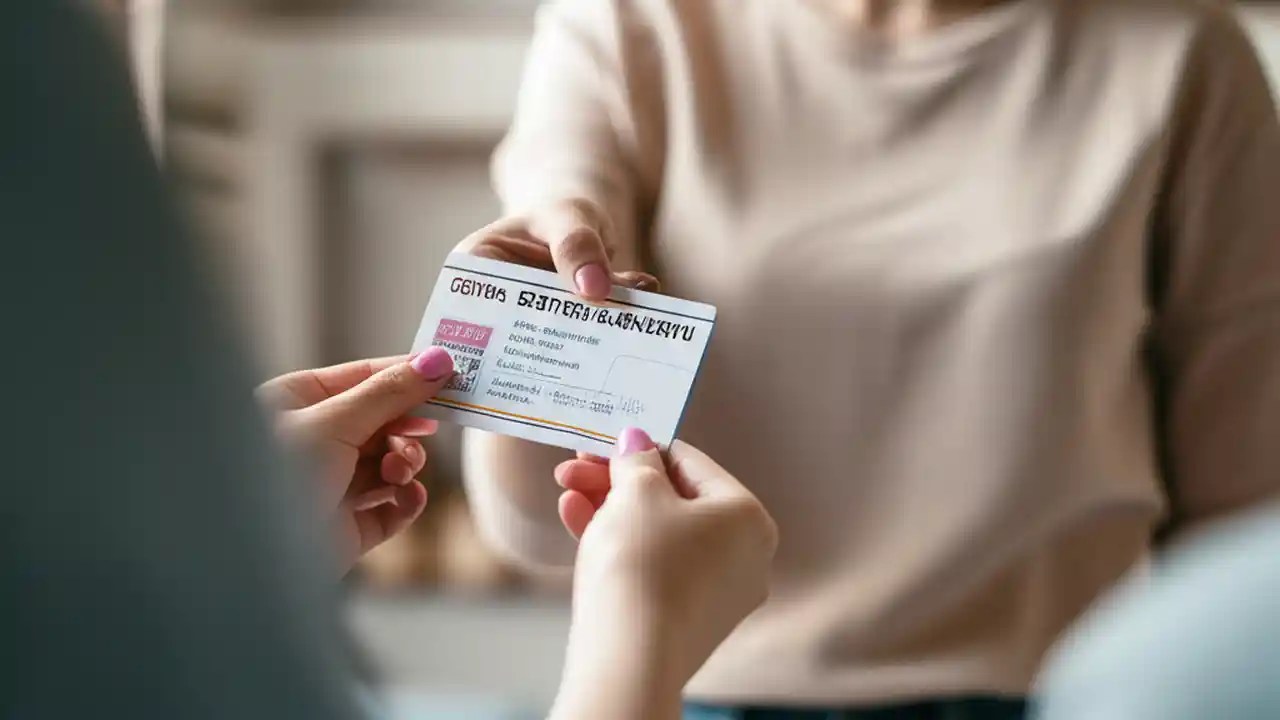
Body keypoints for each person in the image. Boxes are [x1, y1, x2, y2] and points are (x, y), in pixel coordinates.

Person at [457, 0, 1280, 717]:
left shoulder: (1183, 54)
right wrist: (539, 306)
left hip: (1069, 694)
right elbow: (538, 524)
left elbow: (1239, 524)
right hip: (697, 693)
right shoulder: (632, 28)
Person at [2, 3, 776, 720]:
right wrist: (639, 644)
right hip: (702, 680)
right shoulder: (637, 23)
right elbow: (561, 173)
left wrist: (257, 548)